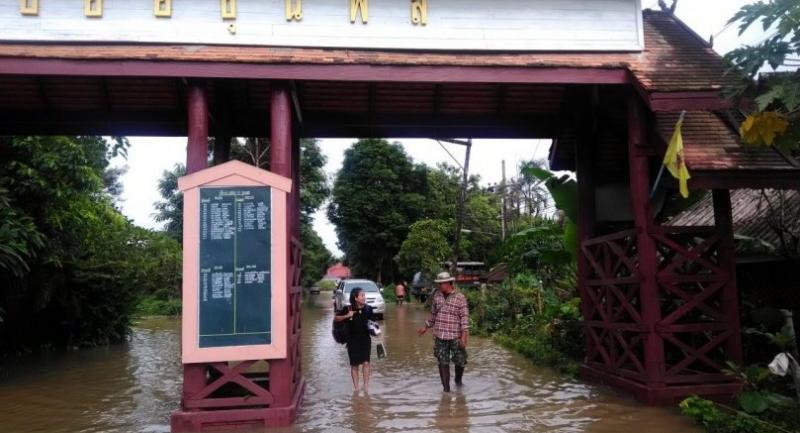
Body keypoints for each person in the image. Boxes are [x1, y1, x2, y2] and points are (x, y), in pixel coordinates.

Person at [417, 271, 469, 392]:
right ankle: (446, 390)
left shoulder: (460, 297)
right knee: (442, 361)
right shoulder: (437, 296)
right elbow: (434, 316)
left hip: (455, 335)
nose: (440, 286)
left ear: (449, 283)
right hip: (440, 335)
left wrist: (464, 336)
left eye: (442, 283)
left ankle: (458, 381)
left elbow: (464, 318)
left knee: (460, 361)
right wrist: (426, 327)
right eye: (439, 283)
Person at [335, 287, 373, 392]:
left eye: (364, 295)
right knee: (354, 365)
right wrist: (347, 315)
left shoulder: (369, 309)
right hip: (352, 340)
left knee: (366, 363)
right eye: (362, 295)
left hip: (365, 339)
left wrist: (376, 331)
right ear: (356, 298)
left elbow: (372, 324)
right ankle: (356, 388)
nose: (364, 297)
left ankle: (366, 387)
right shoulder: (348, 309)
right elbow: (336, 318)